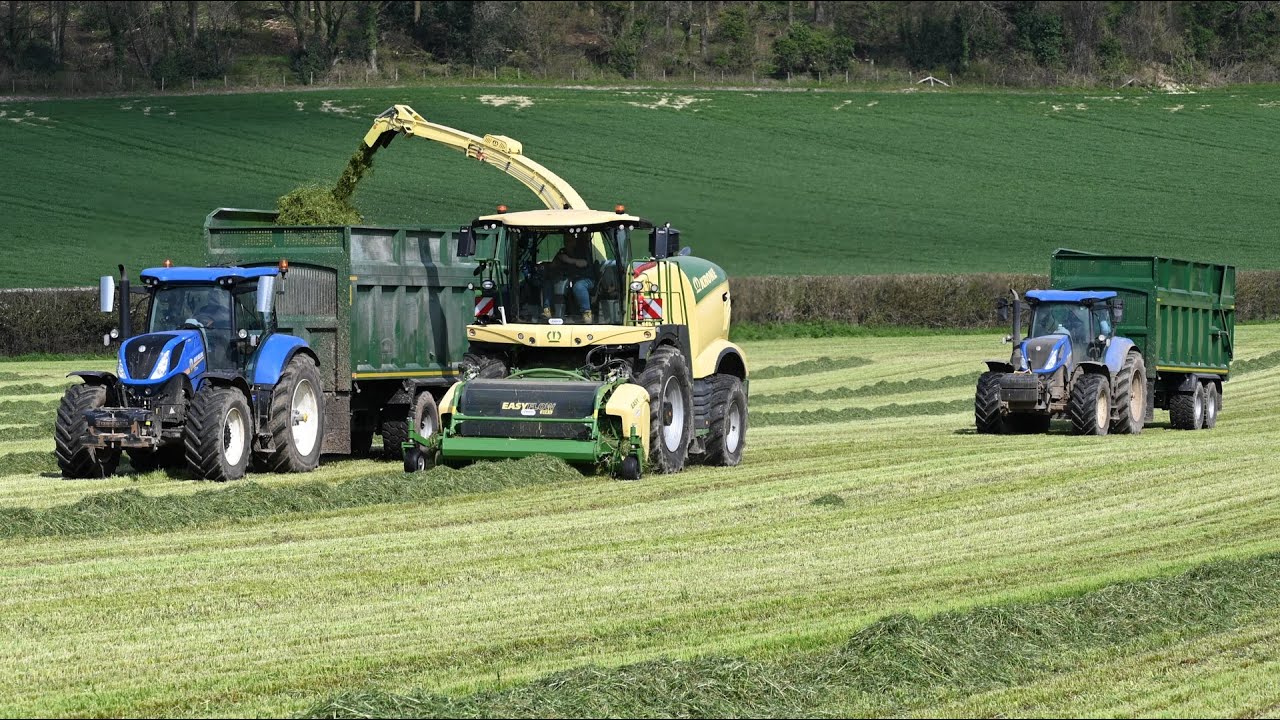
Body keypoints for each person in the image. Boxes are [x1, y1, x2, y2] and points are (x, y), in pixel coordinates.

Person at [542, 230, 596, 322]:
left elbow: (584, 263)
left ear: (574, 240)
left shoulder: (582, 250)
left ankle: (586, 313)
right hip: (566, 278)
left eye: (569, 240)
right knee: (548, 282)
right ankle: (547, 310)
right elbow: (553, 265)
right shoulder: (563, 251)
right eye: (565, 240)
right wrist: (548, 264)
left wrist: (568, 260)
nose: (567, 242)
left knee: (579, 286)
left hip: (585, 278)